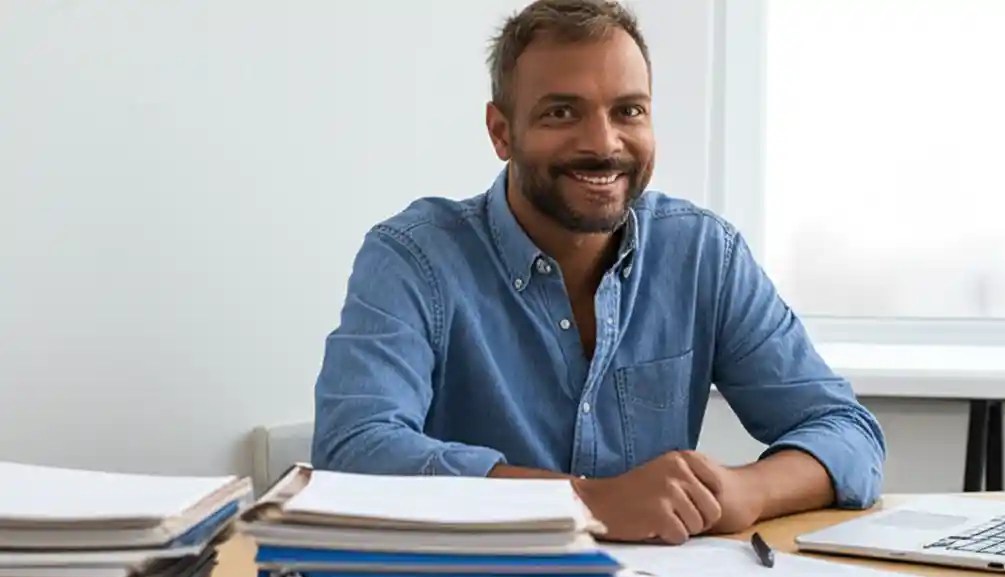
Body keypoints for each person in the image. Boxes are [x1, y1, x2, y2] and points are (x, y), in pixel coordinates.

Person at [311, 0, 885, 544]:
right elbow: (354, 451)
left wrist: (747, 491)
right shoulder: (413, 258)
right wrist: (588, 502)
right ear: (501, 131)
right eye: (562, 112)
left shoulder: (703, 253)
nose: (603, 143)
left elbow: (847, 432)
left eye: (628, 111)